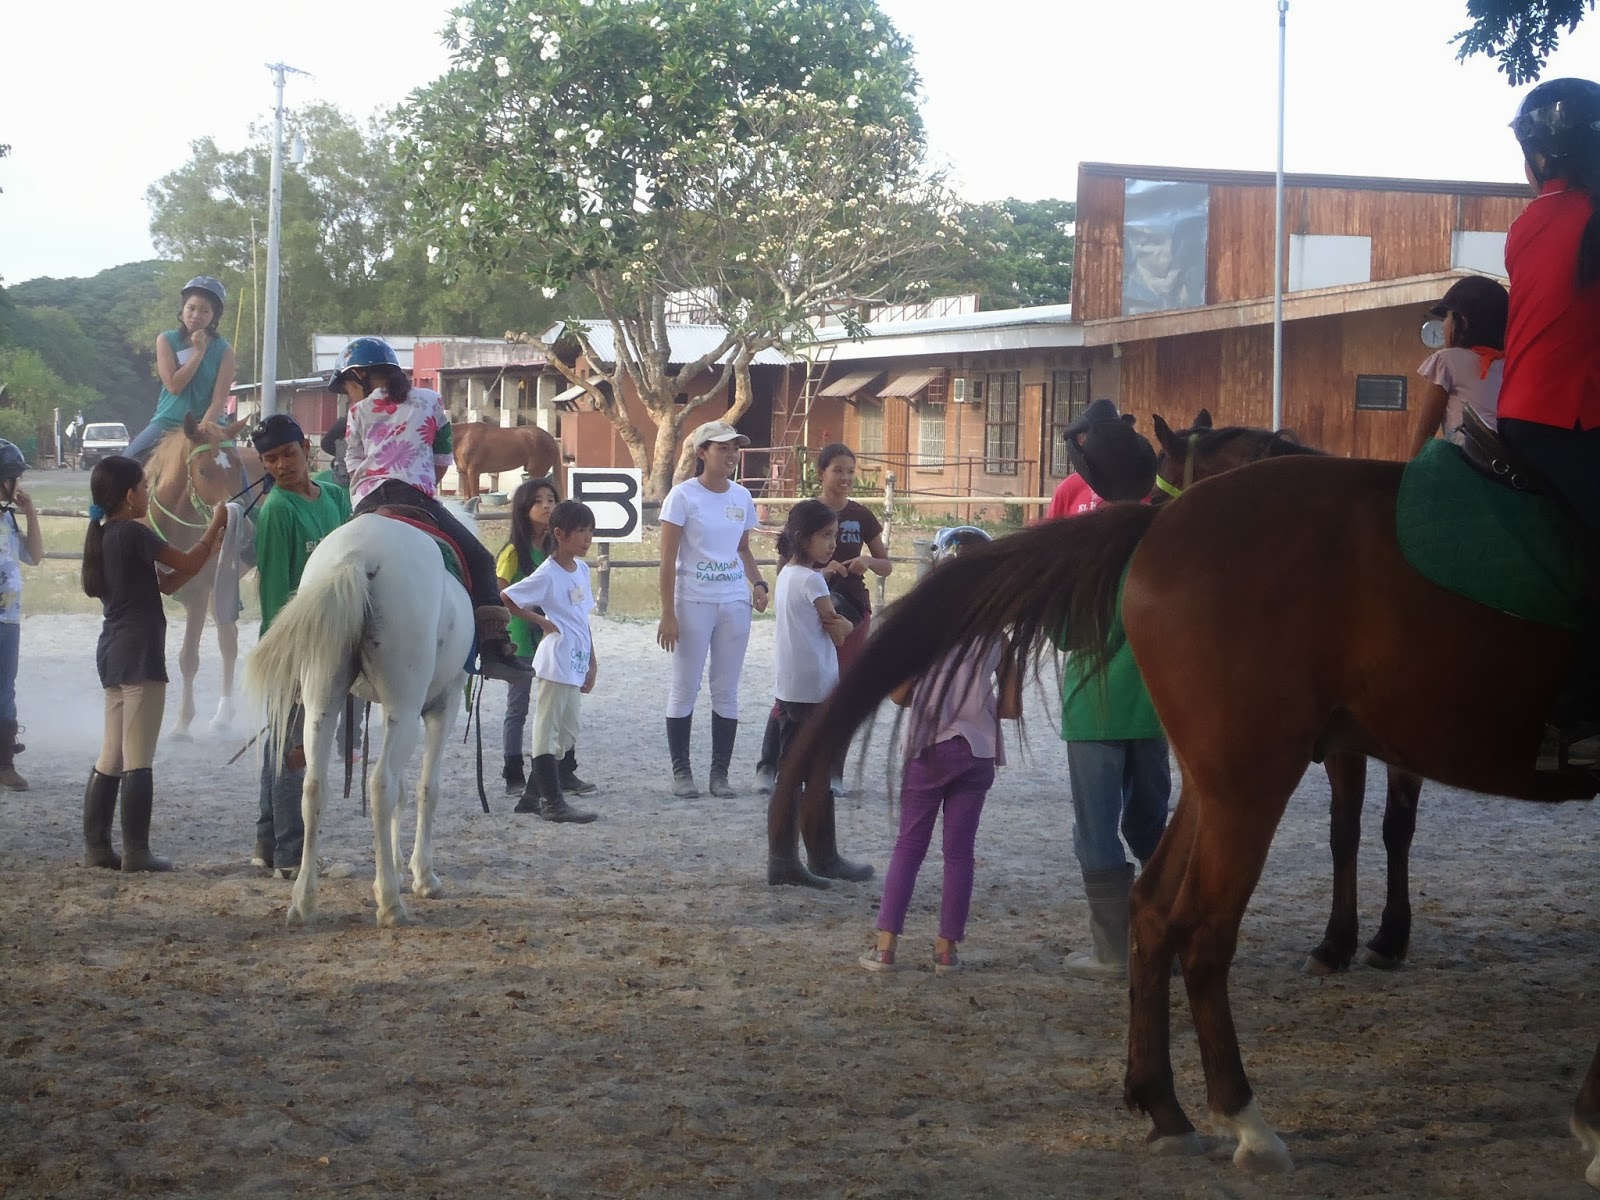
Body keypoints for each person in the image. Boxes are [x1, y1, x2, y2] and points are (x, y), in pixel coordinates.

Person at [1492, 77, 1600, 765]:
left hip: (1524, 411)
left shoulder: (1528, 223)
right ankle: (1577, 721)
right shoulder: (1592, 217)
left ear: (1540, 158)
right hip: (1572, 415)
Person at [860, 527, 1021, 973]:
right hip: (978, 750)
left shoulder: (925, 632)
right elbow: (1010, 708)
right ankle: (947, 949)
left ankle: (886, 946)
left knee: (909, 846)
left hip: (929, 748)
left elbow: (899, 695)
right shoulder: (998, 637)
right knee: (960, 854)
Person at [331, 336, 533, 684]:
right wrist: (420, 479)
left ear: (360, 376)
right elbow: (442, 459)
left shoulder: (356, 412)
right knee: (481, 560)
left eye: (347, 387)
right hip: (415, 498)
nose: (348, 395)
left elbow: (353, 464)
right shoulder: (430, 400)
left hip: (367, 502)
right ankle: (495, 646)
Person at [1052, 398, 1171, 980]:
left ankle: (1111, 951)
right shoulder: (1166, 535)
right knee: (1151, 825)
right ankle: (1169, 933)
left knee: (1096, 832)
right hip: (1155, 707)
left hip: (1093, 708)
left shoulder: (1087, 548)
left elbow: (1065, 633)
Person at [79, 455, 228, 871]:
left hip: (112, 651)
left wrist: (206, 550)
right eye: (144, 487)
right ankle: (137, 852)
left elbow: (165, 583)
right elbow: (185, 563)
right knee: (138, 755)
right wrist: (215, 525)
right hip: (140, 650)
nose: (147, 493)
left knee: (111, 755)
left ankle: (97, 847)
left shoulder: (106, 535)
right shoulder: (136, 532)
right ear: (130, 495)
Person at [247, 414, 353, 878]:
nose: (281, 466)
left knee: (281, 746)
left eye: (288, 454)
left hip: (330, 640)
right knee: (295, 751)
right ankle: (291, 855)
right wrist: (285, 664)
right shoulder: (276, 511)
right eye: (270, 459)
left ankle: (266, 843)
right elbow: (274, 593)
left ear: (306, 449)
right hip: (294, 648)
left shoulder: (334, 497)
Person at [754, 442, 892, 795]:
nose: (845, 477)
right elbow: (786, 566)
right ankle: (769, 765)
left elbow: (886, 565)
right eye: (838, 470)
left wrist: (867, 562)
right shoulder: (807, 514)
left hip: (851, 603)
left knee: (840, 692)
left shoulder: (861, 515)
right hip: (813, 603)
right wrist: (821, 572)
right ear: (821, 473)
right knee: (791, 692)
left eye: (851, 471)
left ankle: (832, 772)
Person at [657, 420, 768, 798]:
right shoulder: (682, 497)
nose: (731, 455)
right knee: (685, 685)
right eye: (722, 448)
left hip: (733, 600)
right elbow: (668, 559)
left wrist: (758, 582)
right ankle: (682, 771)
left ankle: (719, 774)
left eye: (735, 448)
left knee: (726, 687)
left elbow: (742, 549)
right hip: (693, 600)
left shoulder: (741, 497)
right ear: (701, 452)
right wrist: (668, 612)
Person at [765, 499, 872, 881]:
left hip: (793, 685)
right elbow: (839, 630)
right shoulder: (812, 580)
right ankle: (809, 859)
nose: (833, 543)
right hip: (814, 689)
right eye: (826, 535)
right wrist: (847, 622)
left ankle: (802, 858)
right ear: (802, 538)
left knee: (798, 772)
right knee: (811, 774)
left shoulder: (787, 574)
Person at [501, 499, 600, 823]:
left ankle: (531, 796)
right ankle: (553, 803)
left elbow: (582, 617)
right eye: (581, 531)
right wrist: (542, 621)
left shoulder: (582, 570)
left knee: (568, 732)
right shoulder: (547, 573)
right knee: (547, 731)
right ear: (559, 534)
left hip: (576, 659)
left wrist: (592, 660)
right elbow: (507, 597)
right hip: (556, 659)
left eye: (590, 531)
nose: (587, 539)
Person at [127, 277, 236, 463]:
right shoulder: (166, 340)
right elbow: (174, 386)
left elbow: (218, 400)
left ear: (214, 316)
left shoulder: (225, 350)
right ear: (183, 308)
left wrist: (201, 431)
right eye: (191, 308)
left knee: (237, 471)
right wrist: (199, 352)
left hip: (208, 424)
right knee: (124, 464)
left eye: (204, 311)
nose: (196, 315)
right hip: (168, 422)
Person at [1408, 275, 1509, 458]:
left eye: (1446, 317)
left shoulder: (1446, 360)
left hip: (1467, 463)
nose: (1443, 326)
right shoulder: (1510, 366)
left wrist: (1410, 471)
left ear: (1463, 322)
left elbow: (1425, 431)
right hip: (1507, 465)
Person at [0, 441, 42, 790]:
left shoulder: (8, 520)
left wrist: (30, 514)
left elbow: (35, 556)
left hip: (8, 619)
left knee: (5, 690)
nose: (20, 485)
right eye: (17, 478)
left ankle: (4, 762)